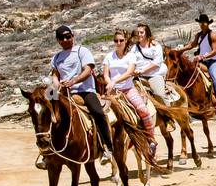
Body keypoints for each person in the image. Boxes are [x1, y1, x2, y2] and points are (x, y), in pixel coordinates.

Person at [50, 24, 113, 164]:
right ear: (58, 40)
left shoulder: (82, 51)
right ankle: (47, 150)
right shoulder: (56, 57)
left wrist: (73, 81)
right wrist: (56, 85)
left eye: (68, 36)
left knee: (98, 113)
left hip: (83, 90)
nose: (65, 40)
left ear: (73, 36)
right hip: (64, 91)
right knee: (44, 107)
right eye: (62, 38)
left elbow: (88, 70)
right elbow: (55, 74)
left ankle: (107, 147)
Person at [100, 28, 158, 157]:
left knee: (142, 109)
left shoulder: (131, 55)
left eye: (121, 40)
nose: (118, 43)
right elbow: (105, 74)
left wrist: (115, 81)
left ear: (126, 41)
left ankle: (151, 139)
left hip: (127, 89)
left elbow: (130, 72)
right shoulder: (109, 56)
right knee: (102, 114)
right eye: (116, 41)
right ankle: (105, 145)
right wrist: (109, 82)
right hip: (113, 91)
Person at [178, 14, 216, 108]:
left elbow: (214, 51)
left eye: (203, 22)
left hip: (212, 61)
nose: (202, 24)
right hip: (201, 61)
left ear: (208, 23)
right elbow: (192, 45)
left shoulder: (213, 34)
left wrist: (202, 57)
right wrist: (181, 50)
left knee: (215, 76)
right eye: (200, 23)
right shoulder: (199, 35)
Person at [132, 23, 172, 103]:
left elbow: (157, 63)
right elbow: (131, 61)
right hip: (138, 76)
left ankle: (169, 113)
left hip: (153, 75)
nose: (139, 35)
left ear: (147, 33)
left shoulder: (155, 46)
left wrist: (142, 71)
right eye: (137, 33)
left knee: (159, 95)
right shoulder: (134, 48)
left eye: (141, 32)